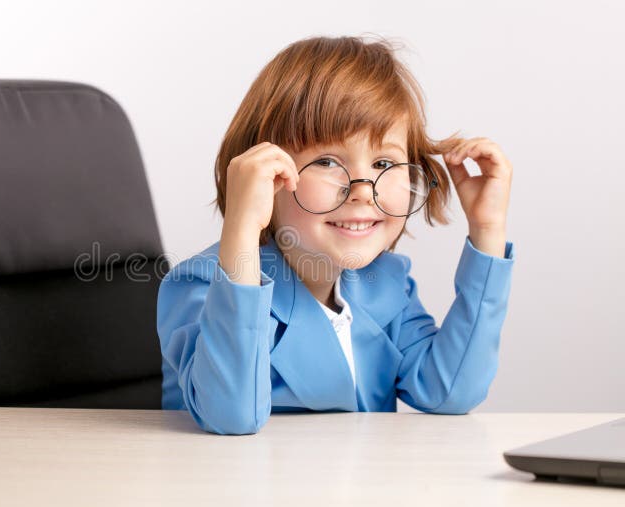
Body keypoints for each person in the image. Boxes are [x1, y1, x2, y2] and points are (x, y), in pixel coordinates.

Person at [156, 35, 515, 435]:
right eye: (327, 161)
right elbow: (230, 416)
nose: (363, 189)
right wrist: (240, 228)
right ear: (267, 175)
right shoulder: (200, 285)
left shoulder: (385, 286)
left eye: (383, 161)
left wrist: (487, 231)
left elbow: (450, 391)